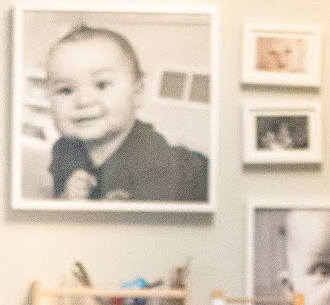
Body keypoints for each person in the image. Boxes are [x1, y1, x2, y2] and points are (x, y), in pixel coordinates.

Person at [44, 25, 209, 204]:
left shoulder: (156, 164)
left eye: (101, 85)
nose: (84, 101)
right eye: (66, 90)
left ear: (137, 93)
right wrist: (66, 197)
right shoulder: (64, 149)